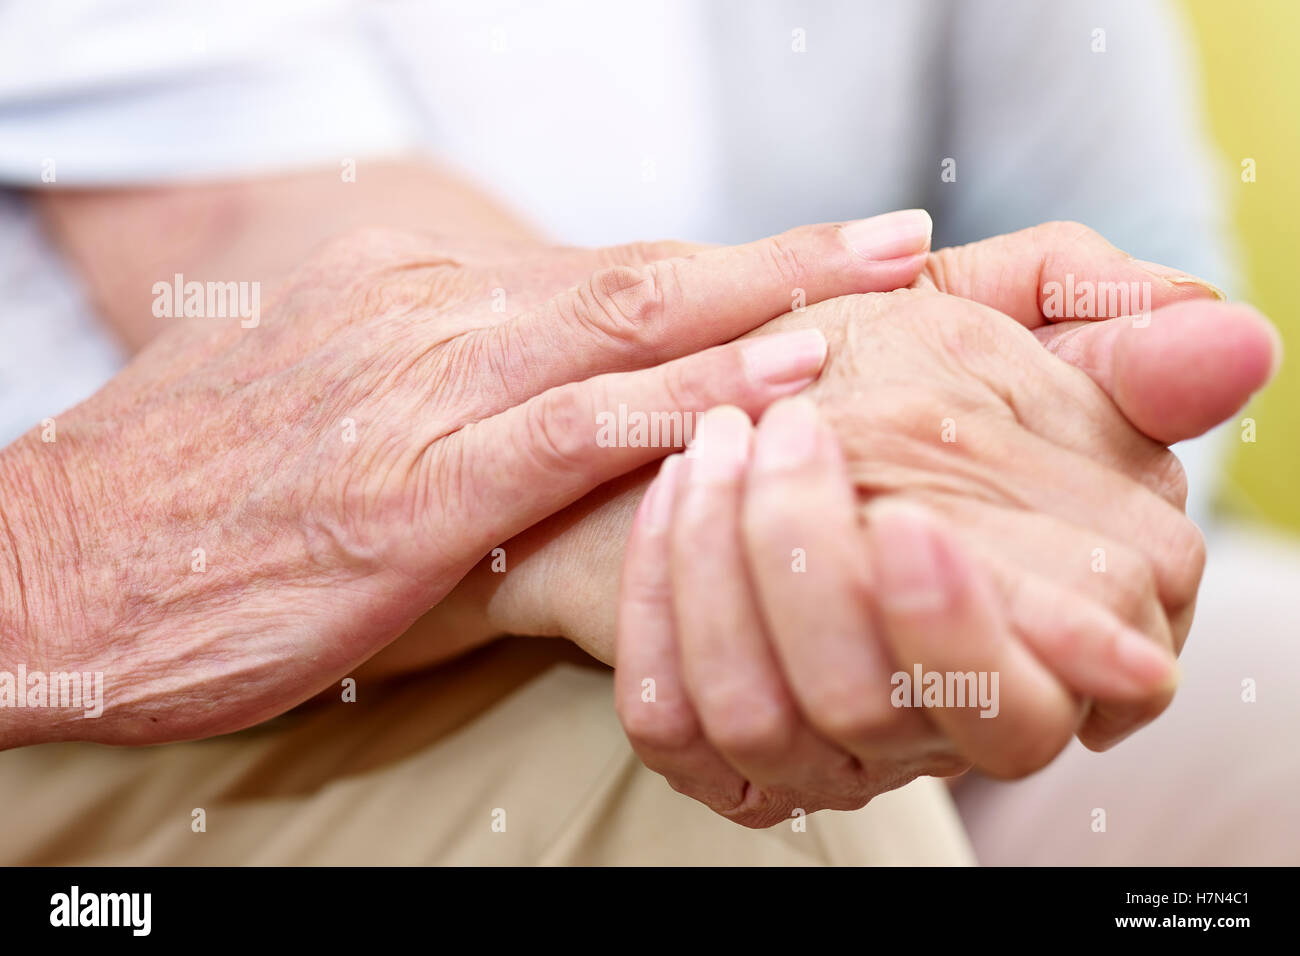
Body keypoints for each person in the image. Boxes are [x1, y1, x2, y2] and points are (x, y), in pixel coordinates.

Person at [0, 0, 1287, 864]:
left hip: (864, 544)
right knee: (747, 795)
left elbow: (1133, 233)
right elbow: (252, 232)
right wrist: (715, 476)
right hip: (189, 667)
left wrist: (1025, 487)